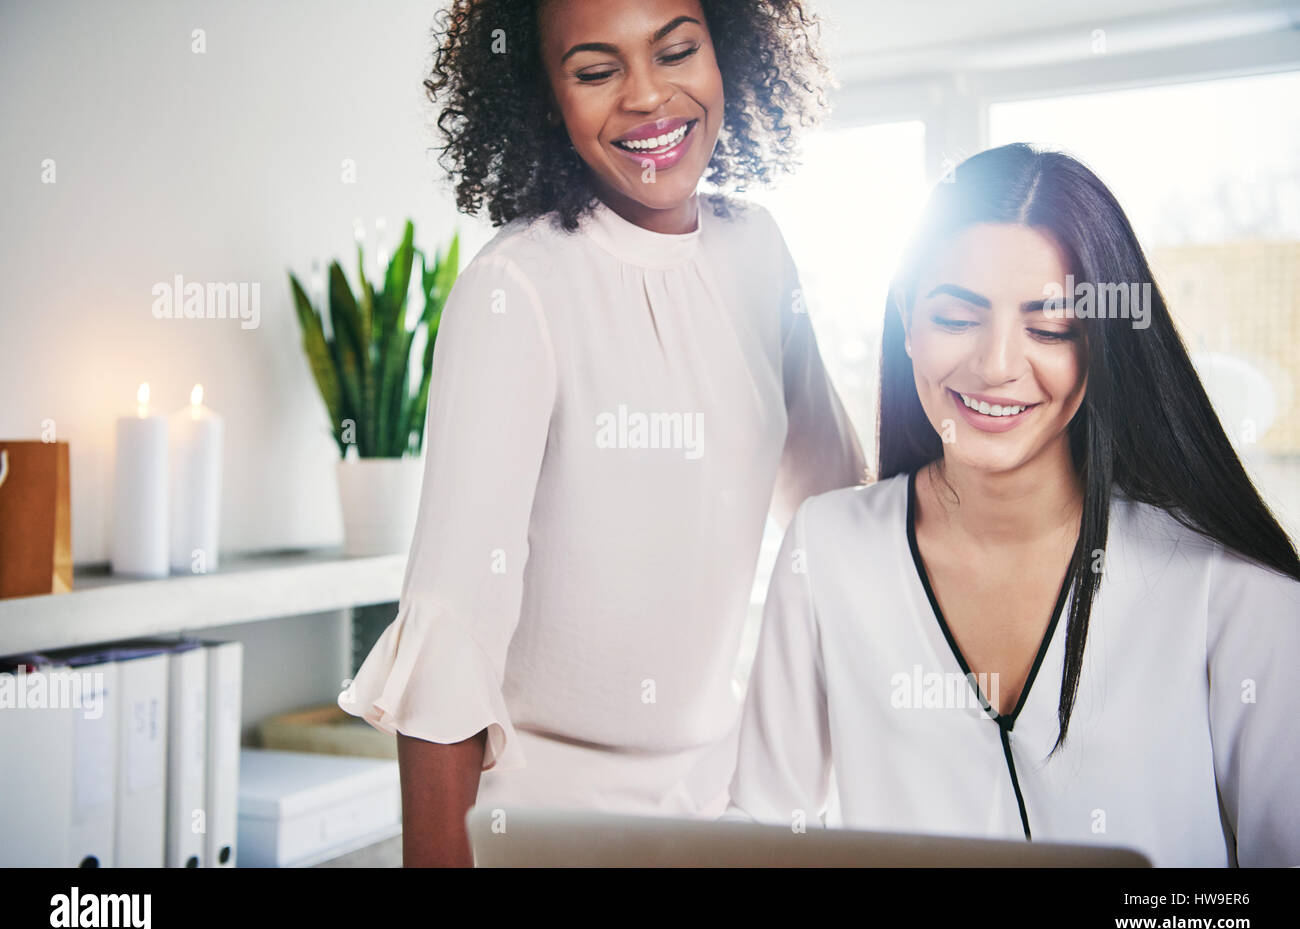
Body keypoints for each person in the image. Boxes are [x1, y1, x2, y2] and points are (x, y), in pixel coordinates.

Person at [338, 0, 866, 866]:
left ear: (725, 51)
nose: (648, 96)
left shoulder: (760, 253)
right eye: (595, 70)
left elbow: (844, 506)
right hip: (547, 831)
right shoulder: (518, 289)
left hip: (723, 814)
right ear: (545, 96)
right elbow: (449, 636)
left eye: (677, 51)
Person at [724, 143, 1300, 866]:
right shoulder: (829, 547)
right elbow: (757, 830)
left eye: (1050, 327)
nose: (996, 365)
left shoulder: (1228, 583)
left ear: (1102, 343)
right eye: (956, 318)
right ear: (909, 323)